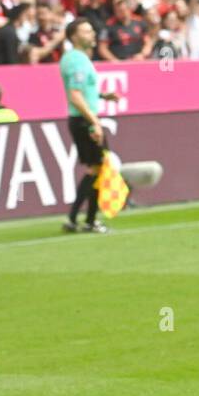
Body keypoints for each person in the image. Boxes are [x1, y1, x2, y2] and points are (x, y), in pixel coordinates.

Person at [60, 17, 121, 234]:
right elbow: (75, 95)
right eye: (86, 31)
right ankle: (87, 220)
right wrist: (94, 121)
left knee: (96, 168)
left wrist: (103, 95)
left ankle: (77, 219)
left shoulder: (76, 58)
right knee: (98, 168)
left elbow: (82, 91)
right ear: (75, 36)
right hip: (84, 120)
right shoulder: (77, 60)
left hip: (81, 119)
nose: (92, 34)